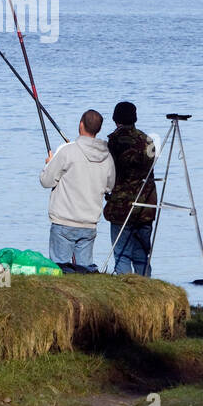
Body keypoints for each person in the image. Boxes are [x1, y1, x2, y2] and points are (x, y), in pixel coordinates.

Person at [40, 109, 116, 272]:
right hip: (89, 224)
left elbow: (46, 181)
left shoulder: (67, 151)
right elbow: (110, 186)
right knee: (84, 273)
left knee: (59, 271)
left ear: (81, 125)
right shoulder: (107, 156)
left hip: (63, 222)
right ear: (98, 129)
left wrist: (49, 164)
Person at [103, 101, 158, 275]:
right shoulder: (148, 140)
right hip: (146, 205)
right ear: (135, 118)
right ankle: (147, 293)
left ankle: (127, 292)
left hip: (122, 206)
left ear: (115, 119)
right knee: (142, 255)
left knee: (122, 255)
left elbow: (108, 172)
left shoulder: (114, 141)